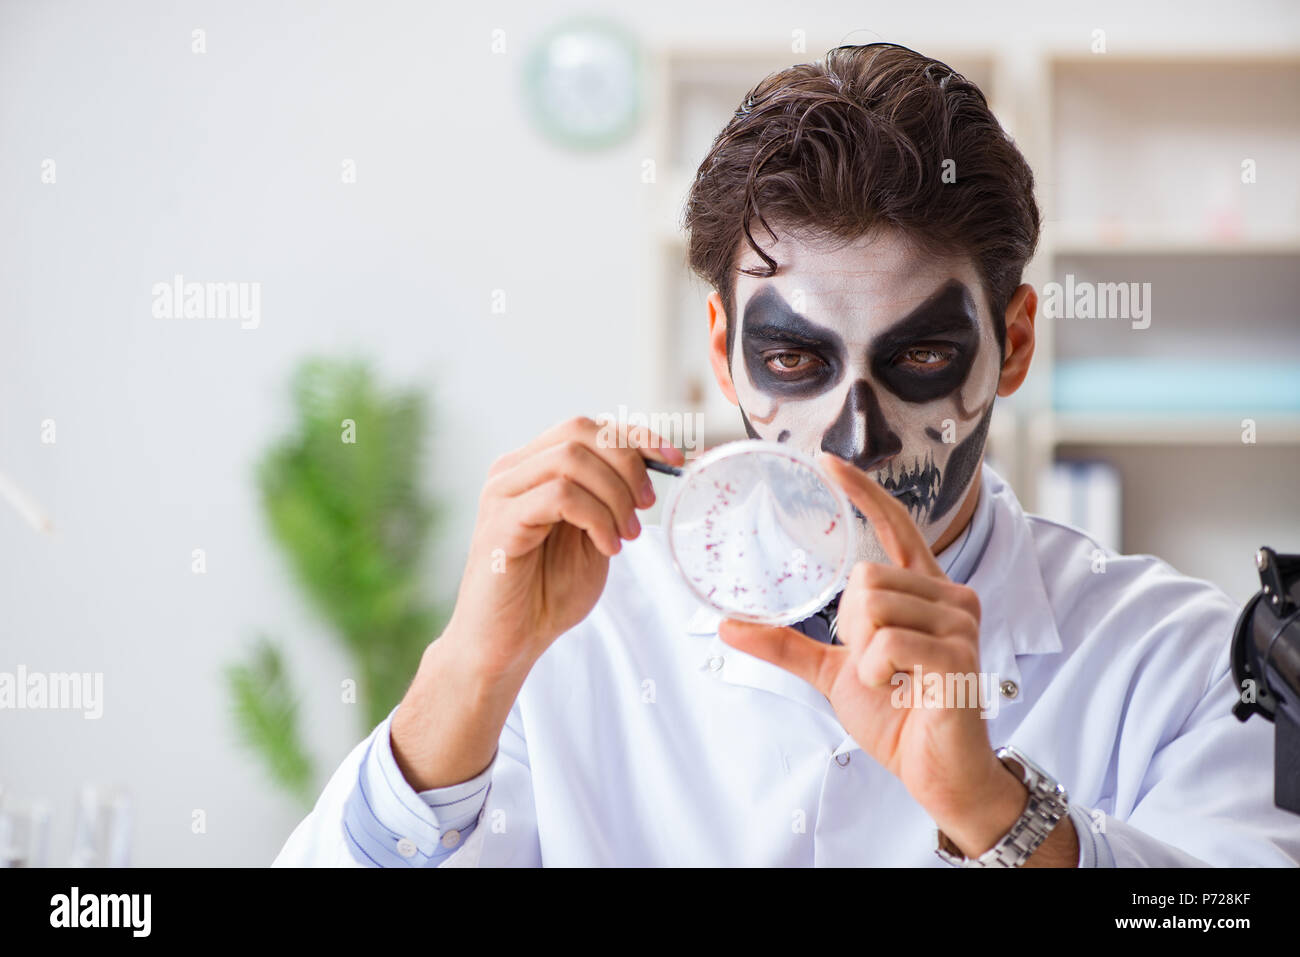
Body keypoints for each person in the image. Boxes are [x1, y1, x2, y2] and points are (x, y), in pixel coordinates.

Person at [273, 43, 1300, 867]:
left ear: (1016, 343)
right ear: (723, 351)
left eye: (923, 355)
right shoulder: (579, 637)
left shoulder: (1188, 662)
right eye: (796, 358)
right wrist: (467, 673)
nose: (854, 436)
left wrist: (994, 816)